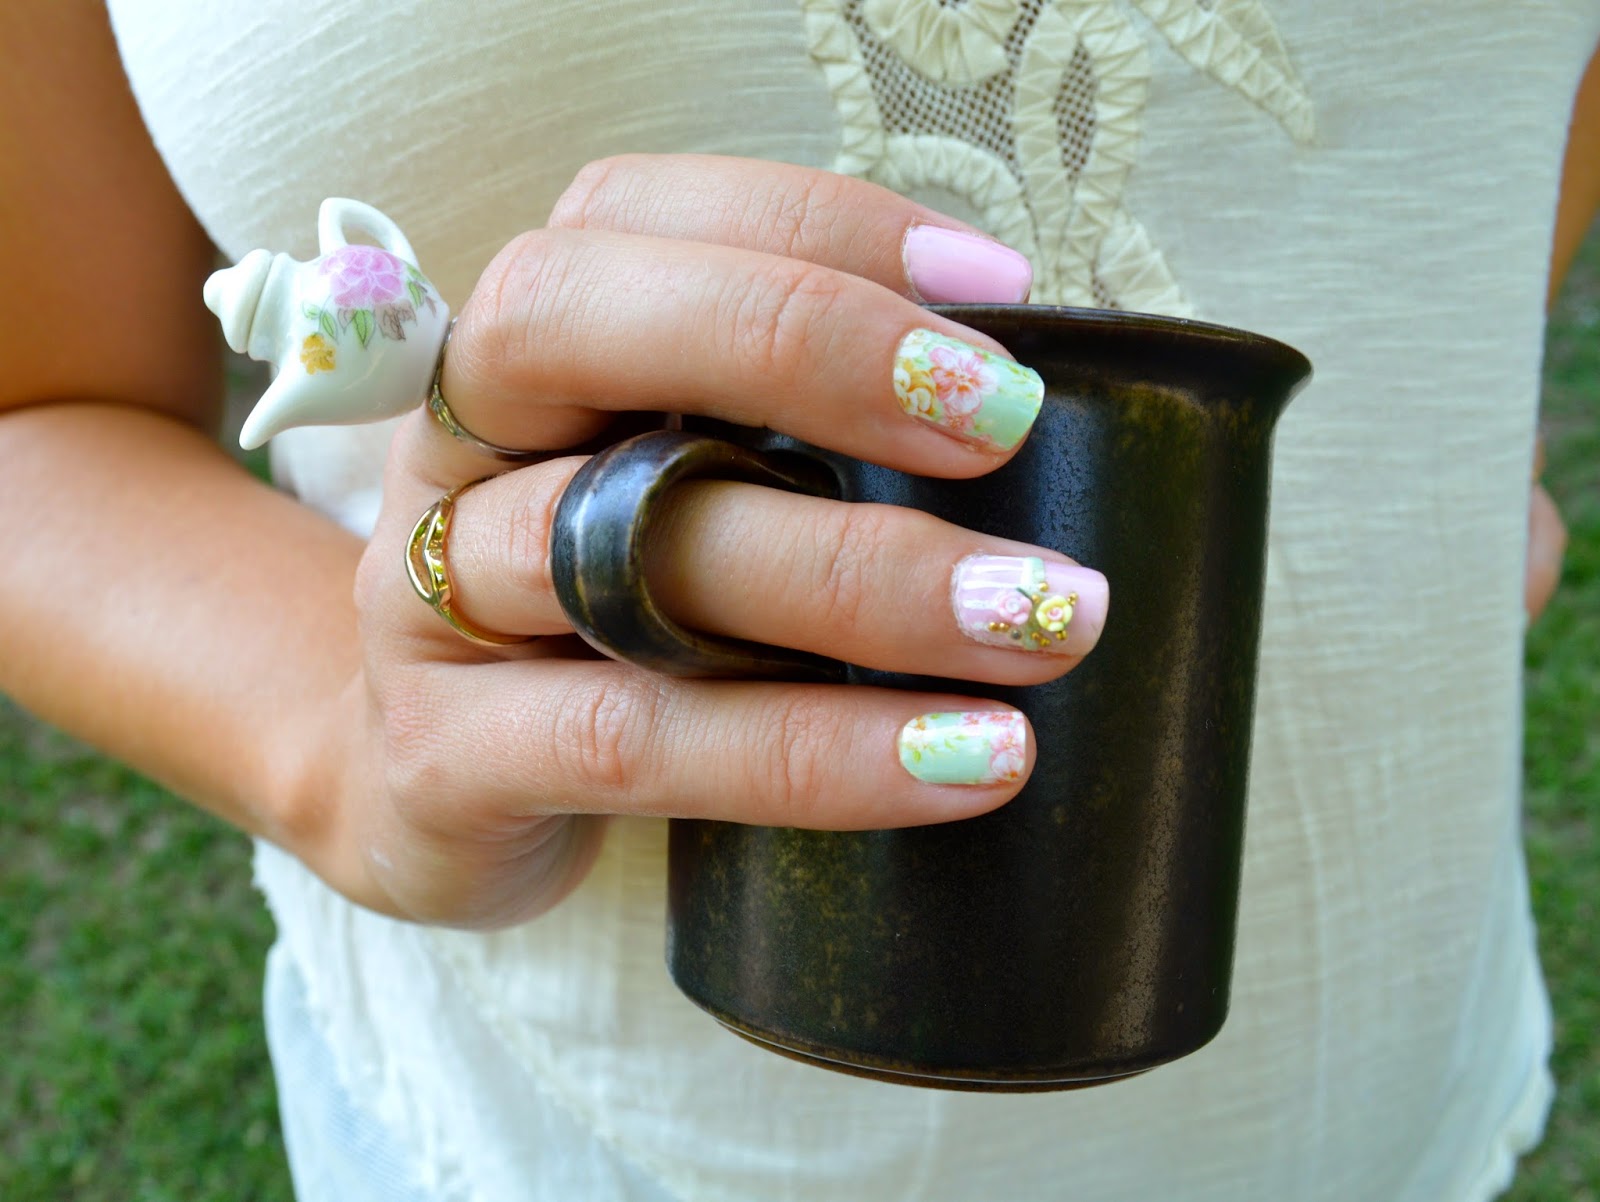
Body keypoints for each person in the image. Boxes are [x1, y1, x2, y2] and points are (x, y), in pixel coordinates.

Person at [1, 1, 1595, 1199]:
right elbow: (38, 416)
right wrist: (346, 745)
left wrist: (1452, 372)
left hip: (1375, 1090)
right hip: (573, 1133)